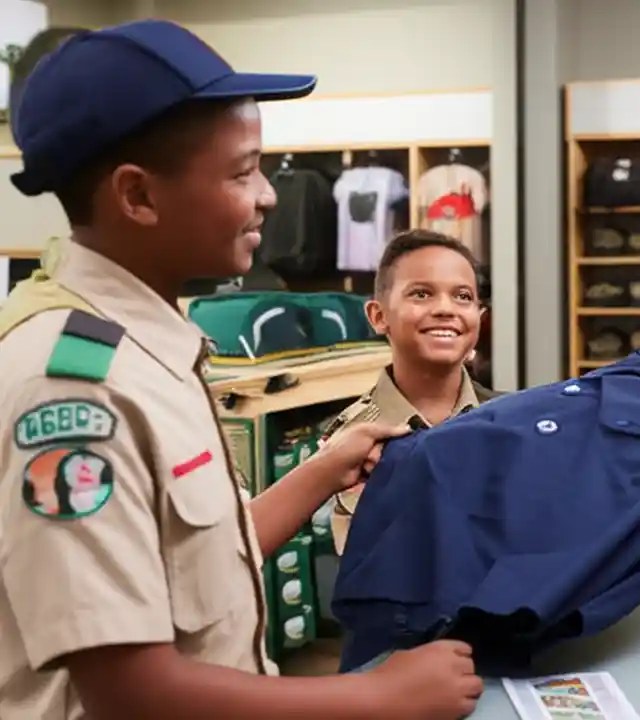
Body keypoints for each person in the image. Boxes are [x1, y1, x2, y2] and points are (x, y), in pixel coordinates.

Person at [0, 20, 481, 720]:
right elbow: (128, 688)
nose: (270, 196)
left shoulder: (153, 344)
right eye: (242, 171)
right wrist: (375, 697)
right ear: (137, 196)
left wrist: (322, 469)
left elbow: (195, 566)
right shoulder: (77, 386)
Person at [324, 228, 502, 555]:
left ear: (480, 316)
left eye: (463, 296)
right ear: (378, 316)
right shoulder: (338, 441)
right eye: (421, 294)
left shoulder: (513, 423)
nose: (445, 309)